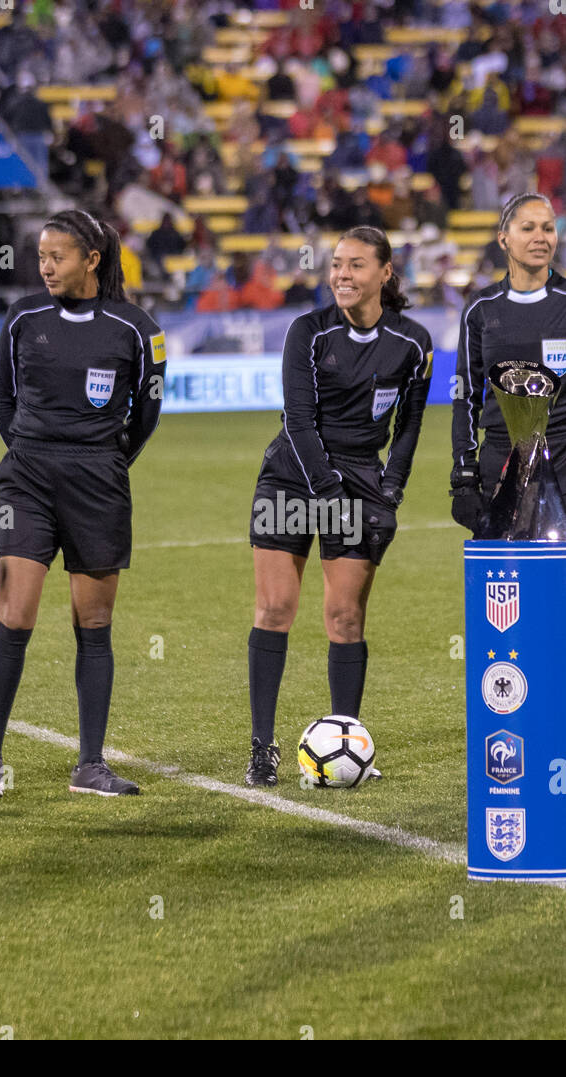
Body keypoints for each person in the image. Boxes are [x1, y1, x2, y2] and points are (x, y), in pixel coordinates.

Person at [0, 210, 164, 801]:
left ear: (92, 261)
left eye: (58, 256)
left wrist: (101, 462)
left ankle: (90, 765)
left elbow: (146, 416)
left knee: (94, 625)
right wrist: (34, 453)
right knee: (14, 615)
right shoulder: (23, 315)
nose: (45, 266)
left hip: (98, 485)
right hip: (26, 479)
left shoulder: (137, 328)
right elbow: (2, 400)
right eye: (42, 256)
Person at [244, 226, 432, 786]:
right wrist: (331, 497)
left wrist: (392, 484)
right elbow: (298, 422)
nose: (342, 276)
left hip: (360, 481)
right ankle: (262, 748)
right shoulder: (308, 331)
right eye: (336, 265)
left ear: (384, 273)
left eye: (355, 266)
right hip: (292, 477)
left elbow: (410, 424)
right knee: (276, 608)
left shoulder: (414, 342)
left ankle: (349, 741)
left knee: (345, 617)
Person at [450, 192, 566, 773]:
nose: (541, 237)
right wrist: (462, 471)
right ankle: (519, 720)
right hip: (503, 463)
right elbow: (463, 395)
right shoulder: (480, 312)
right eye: (528, 227)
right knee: (507, 599)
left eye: (549, 227)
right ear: (503, 237)